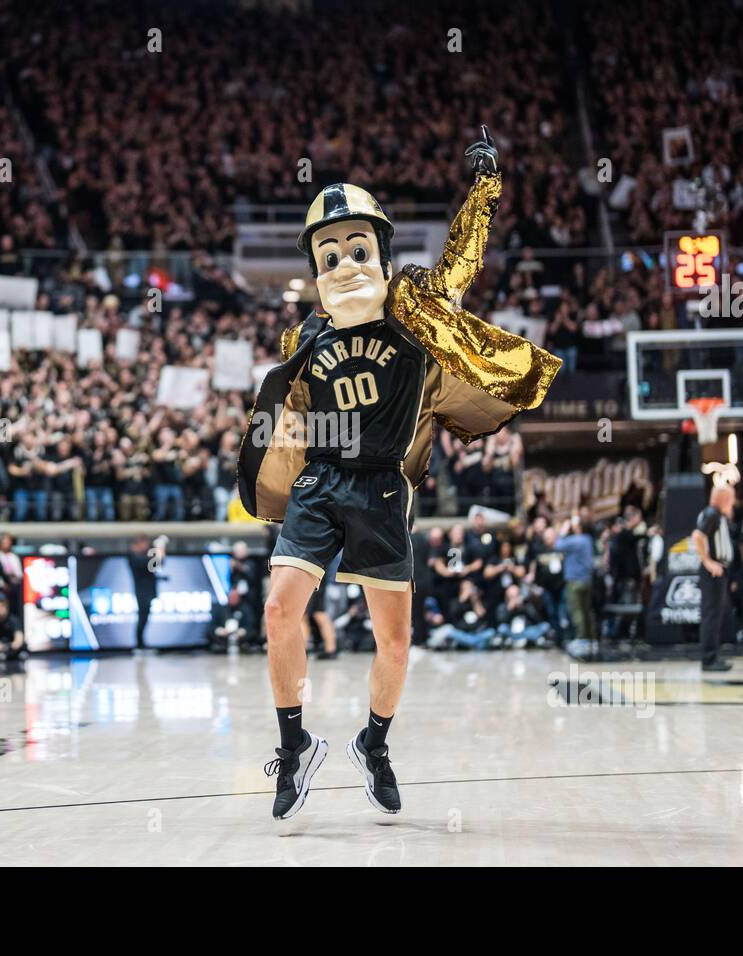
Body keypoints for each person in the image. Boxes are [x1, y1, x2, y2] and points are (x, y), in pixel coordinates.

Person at [236, 127, 559, 820]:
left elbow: (461, 263)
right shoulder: (305, 338)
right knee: (277, 608)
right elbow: (294, 414)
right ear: (316, 266)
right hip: (322, 483)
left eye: (358, 247)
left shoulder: (415, 316)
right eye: (331, 251)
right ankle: (295, 750)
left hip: (383, 487)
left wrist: (484, 188)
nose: (345, 260)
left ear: (380, 251)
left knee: (395, 642)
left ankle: (373, 745)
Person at [691, 483, 737, 671]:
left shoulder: (716, 514)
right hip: (713, 571)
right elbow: (697, 536)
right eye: (731, 499)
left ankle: (712, 657)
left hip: (718, 571)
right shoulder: (712, 513)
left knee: (715, 615)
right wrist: (708, 561)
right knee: (711, 615)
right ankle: (709, 659)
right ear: (724, 498)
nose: (732, 503)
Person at [554, 515, 596, 645]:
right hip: (587, 580)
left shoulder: (575, 541)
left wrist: (563, 531)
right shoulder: (588, 540)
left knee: (577, 612)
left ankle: (582, 639)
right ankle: (591, 639)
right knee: (587, 611)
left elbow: (558, 545)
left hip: (575, 582)